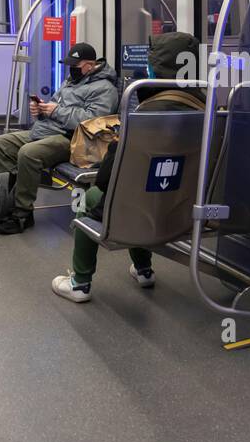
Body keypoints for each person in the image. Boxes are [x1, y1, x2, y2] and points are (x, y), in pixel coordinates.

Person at [52, 31, 203, 302]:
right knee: (141, 193)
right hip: (186, 202)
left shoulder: (146, 115)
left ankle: (79, 282)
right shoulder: (207, 107)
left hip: (143, 201)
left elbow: (111, 172)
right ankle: (143, 269)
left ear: (158, 67)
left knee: (94, 199)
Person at [0, 42, 118, 234]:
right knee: (0, 144)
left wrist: (56, 112)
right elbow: (56, 108)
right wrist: (41, 110)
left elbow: (93, 122)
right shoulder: (70, 82)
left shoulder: (105, 89)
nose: (71, 70)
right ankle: (5, 202)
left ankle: (22, 212)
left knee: (28, 153)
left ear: (90, 66)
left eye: (75, 66)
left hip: (75, 140)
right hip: (48, 130)